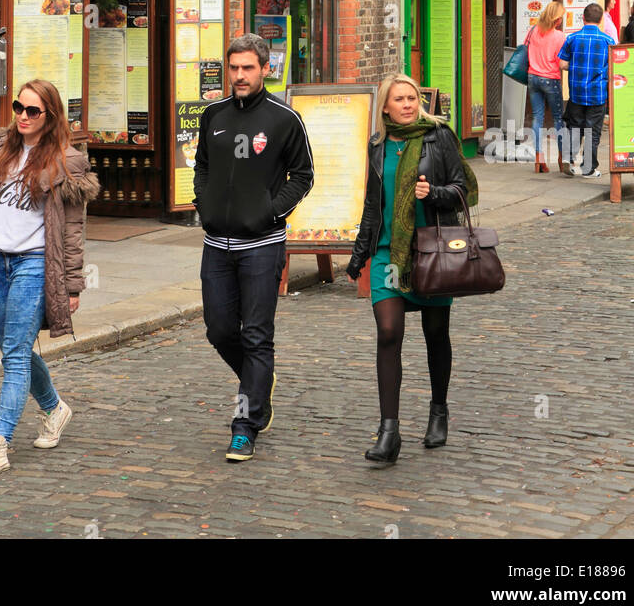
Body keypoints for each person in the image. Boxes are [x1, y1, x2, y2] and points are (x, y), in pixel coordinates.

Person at [0, 79, 98, 476]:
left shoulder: (67, 163)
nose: (23, 117)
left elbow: (73, 232)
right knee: (17, 351)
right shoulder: (2, 150)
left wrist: (72, 286)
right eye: (18, 108)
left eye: (33, 111)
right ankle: (55, 408)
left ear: (51, 116)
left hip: (34, 264)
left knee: (13, 356)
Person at [193, 33, 314, 463]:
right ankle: (259, 381)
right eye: (233, 68)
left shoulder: (285, 119)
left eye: (248, 68)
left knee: (256, 334)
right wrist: (203, 204)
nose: (239, 76)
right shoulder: (213, 115)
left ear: (265, 69)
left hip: (262, 245)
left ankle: (245, 424)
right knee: (219, 329)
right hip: (216, 244)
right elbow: (203, 165)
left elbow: (303, 176)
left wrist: (269, 213)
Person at [346, 73, 478, 466]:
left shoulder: (439, 136)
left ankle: (439, 410)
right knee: (388, 332)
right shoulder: (378, 145)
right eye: (399, 99)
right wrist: (359, 254)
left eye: (412, 98)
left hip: (432, 251)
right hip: (389, 253)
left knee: (436, 332)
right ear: (385, 106)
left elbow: (465, 188)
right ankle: (390, 431)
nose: (407, 104)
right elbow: (373, 203)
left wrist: (434, 194)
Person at [559, 4, 615, 178]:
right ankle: (588, 168)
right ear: (600, 21)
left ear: (583, 18)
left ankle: (570, 160)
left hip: (576, 94)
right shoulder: (608, 41)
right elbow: (613, 68)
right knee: (593, 131)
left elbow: (562, 64)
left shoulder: (572, 38)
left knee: (575, 127)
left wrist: (575, 67)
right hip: (597, 95)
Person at [525, 2, 567, 175]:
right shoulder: (559, 36)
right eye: (560, 18)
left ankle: (538, 157)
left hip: (532, 77)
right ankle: (561, 158)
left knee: (537, 118)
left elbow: (526, 49)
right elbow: (561, 61)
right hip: (550, 79)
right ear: (556, 20)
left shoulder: (534, 30)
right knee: (558, 119)